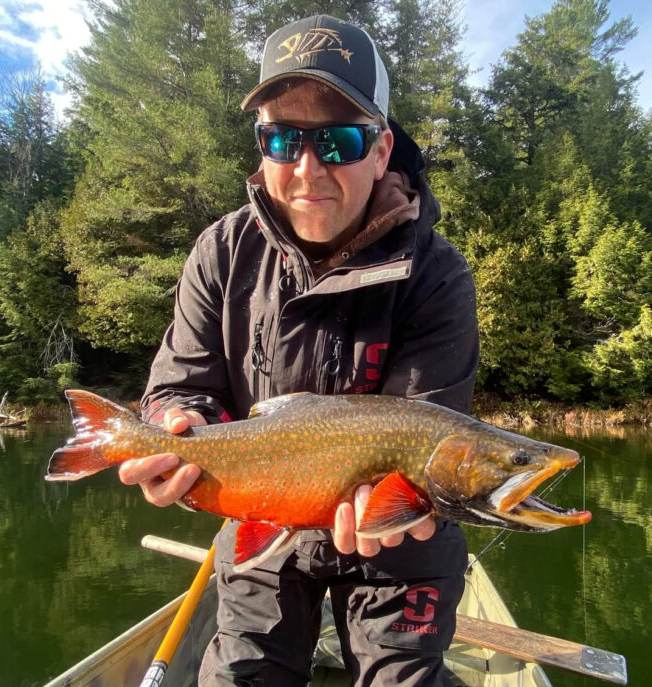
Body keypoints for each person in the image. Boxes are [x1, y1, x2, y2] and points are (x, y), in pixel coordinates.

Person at [118, 14, 479, 687]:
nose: (308, 169)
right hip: (260, 514)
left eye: (339, 140)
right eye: (282, 139)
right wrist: (174, 424)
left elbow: (425, 439)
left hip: (398, 539)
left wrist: (395, 505)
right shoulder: (221, 252)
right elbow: (179, 385)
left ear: (380, 150)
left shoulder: (436, 275)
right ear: (262, 147)